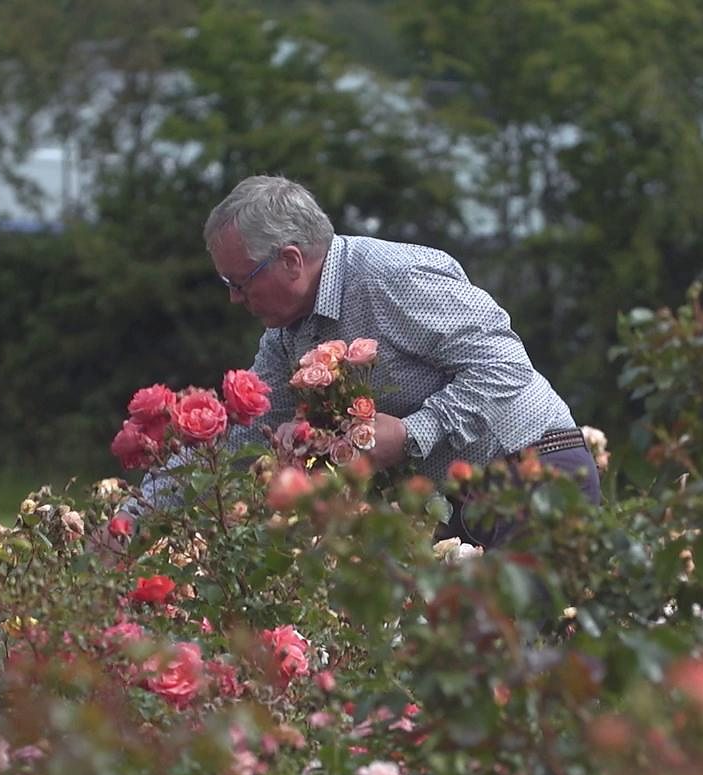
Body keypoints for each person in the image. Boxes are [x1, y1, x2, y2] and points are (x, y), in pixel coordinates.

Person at [132, 175, 600, 548]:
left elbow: (505, 366)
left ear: (292, 260)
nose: (235, 299)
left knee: (537, 657)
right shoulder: (287, 334)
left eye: (239, 282)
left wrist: (413, 432)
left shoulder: (389, 276)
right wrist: (130, 522)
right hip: (455, 506)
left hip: (533, 475)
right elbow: (239, 434)